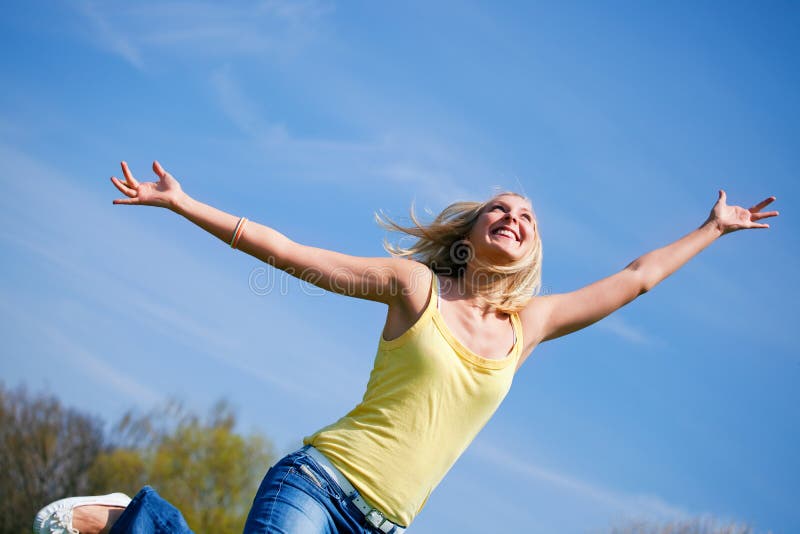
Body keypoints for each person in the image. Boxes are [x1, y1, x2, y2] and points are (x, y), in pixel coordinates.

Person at [34, 161, 778, 534]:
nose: (512, 216)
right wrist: (183, 202)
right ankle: (134, 519)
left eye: (526, 216)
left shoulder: (531, 328)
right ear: (474, 233)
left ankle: (139, 521)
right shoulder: (413, 288)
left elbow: (637, 278)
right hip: (316, 484)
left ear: (532, 250)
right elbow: (288, 251)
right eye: (499, 209)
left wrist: (713, 228)